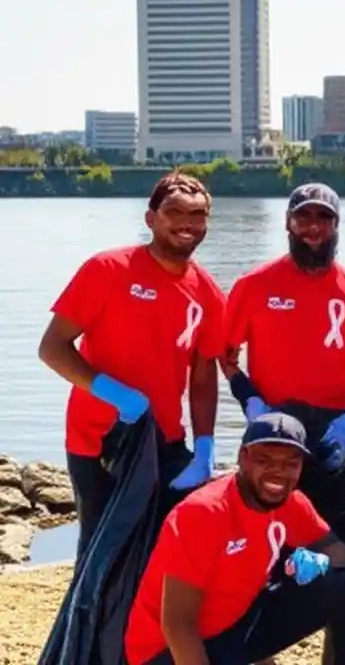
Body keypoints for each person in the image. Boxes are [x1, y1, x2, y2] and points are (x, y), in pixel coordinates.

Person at [38, 172, 225, 559]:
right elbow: (52, 348)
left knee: (169, 553)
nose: (186, 223)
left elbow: (205, 373)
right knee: (102, 555)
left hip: (166, 442)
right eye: (173, 211)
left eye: (198, 214)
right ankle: (88, 622)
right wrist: (116, 395)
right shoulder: (108, 269)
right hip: (98, 441)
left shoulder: (208, 292)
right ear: (151, 219)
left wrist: (205, 445)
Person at [123, 411, 345, 665]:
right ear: (243, 458)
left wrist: (320, 563)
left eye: (290, 463)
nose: (278, 472)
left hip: (232, 627)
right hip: (165, 650)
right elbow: (178, 624)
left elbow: (337, 549)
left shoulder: (290, 503)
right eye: (264, 460)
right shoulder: (203, 513)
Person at [221, 182, 345, 473]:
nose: (313, 227)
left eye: (323, 218)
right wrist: (250, 401)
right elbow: (225, 354)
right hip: (273, 418)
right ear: (287, 223)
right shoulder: (253, 285)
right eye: (303, 217)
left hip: (332, 423)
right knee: (266, 504)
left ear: (336, 225)